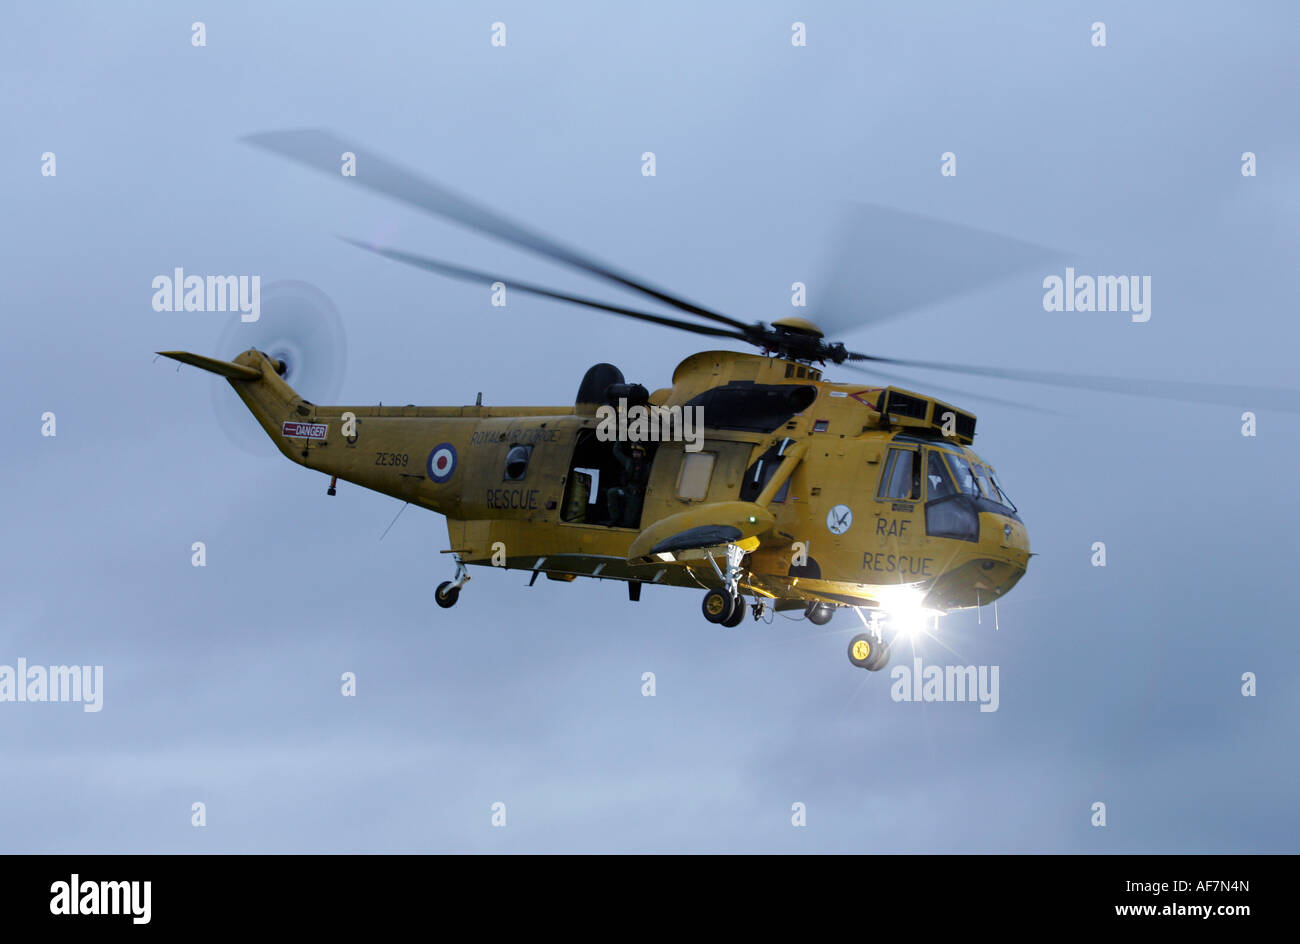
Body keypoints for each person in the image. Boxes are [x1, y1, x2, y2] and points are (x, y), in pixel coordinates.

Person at [606, 441, 648, 527]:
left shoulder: (647, 466)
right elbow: (616, 451)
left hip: (636, 495)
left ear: (642, 453)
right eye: (634, 452)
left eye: (638, 453)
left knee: (628, 523)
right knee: (612, 492)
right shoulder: (628, 462)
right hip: (625, 491)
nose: (635, 454)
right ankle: (614, 517)